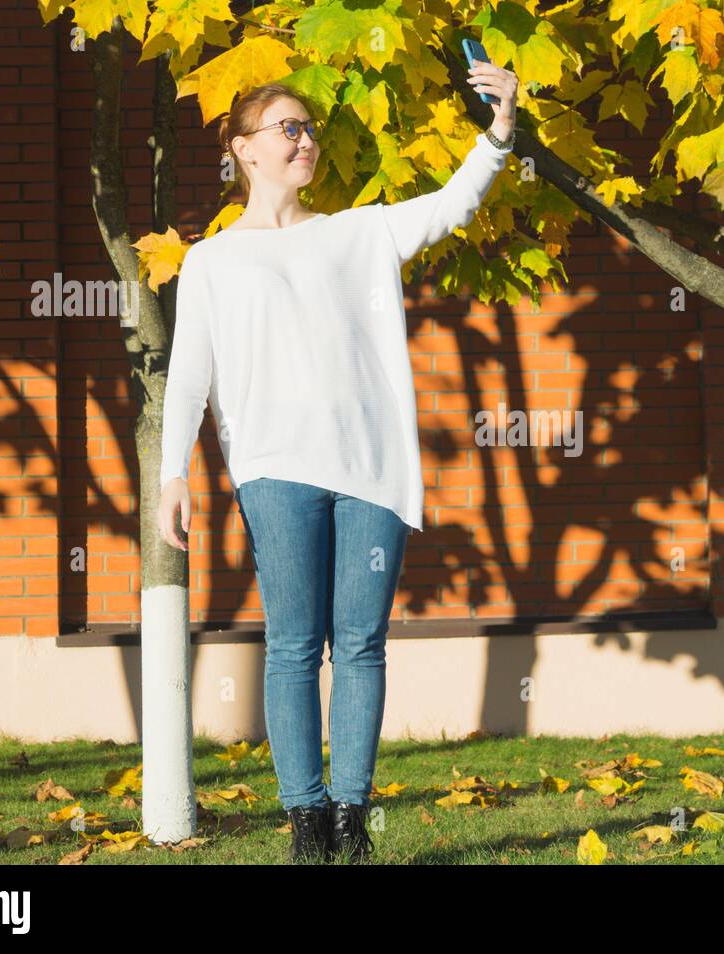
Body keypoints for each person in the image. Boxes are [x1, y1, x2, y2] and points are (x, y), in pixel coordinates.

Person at [156, 63, 518, 863]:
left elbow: (452, 206)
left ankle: (351, 822)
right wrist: (171, 474)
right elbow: (189, 375)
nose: (306, 139)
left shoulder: (357, 233)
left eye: (310, 128)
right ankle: (305, 823)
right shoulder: (211, 262)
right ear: (244, 149)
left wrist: (499, 130)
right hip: (275, 471)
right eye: (289, 128)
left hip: (371, 471)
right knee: (292, 644)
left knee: (360, 644)